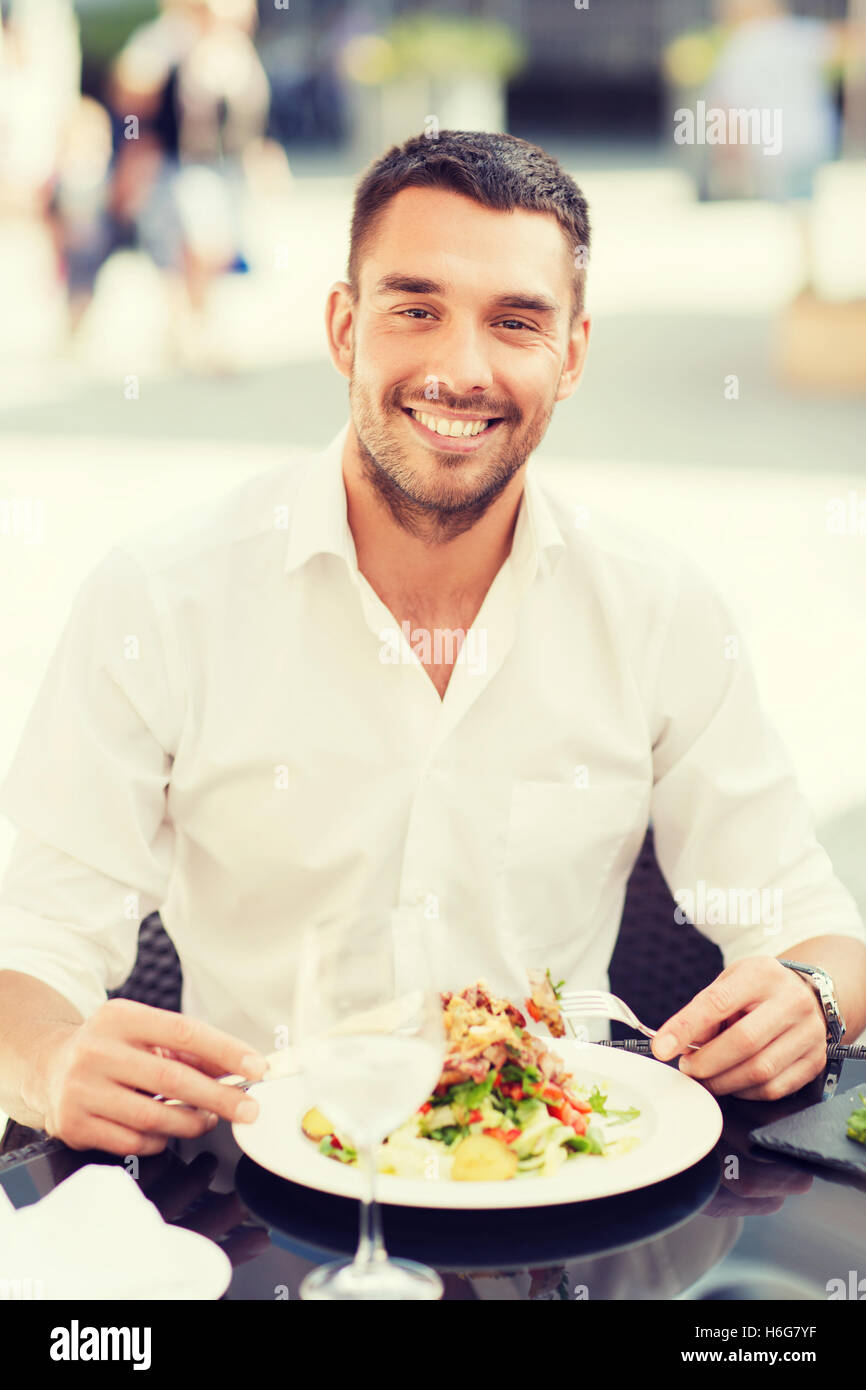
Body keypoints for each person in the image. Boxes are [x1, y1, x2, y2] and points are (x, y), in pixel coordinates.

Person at [1, 131, 864, 1157]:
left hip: (555, 1187)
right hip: (254, 1191)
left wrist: (805, 997)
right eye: (415, 310)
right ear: (342, 327)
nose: (459, 371)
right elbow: (30, 944)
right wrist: (49, 1061)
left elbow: (816, 931)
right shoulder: (160, 595)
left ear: (572, 353)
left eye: (513, 322)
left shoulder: (658, 606)